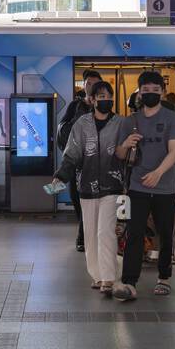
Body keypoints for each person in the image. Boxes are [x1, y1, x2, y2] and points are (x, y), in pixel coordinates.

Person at [112, 71, 175, 301]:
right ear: (139, 93)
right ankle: (129, 282)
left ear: (162, 92)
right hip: (137, 186)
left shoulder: (172, 118)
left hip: (166, 187)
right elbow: (120, 154)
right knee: (134, 233)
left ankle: (164, 277)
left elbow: (174, 151)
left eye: (155, 90)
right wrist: (125, 144)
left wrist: (158, 173)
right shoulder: (129, 121)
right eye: (146, 90)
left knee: (165, 233)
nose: (150, 94)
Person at [54, 80, 128, 293]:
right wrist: (61, 176)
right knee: (91, 233)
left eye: (109, 97)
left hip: (113, 185)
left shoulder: (120, 123)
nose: (106, 100)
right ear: (92, 100)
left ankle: (108, 277)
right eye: (101, 97)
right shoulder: (82, 124)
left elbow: (128, 155)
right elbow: (72, 153)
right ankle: (97, 275)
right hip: (86, 186)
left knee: (106, 232)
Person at [57, 70, 100, 252]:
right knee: (77, 199)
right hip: (76, 163)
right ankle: (85, 232)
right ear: (83, 85)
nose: (91, 87)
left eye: (95, 84)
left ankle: (83, 236)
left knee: (90, 200)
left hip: (96, 164)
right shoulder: (75, 106)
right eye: (88, 83)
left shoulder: (103, 106)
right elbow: (63, 129)